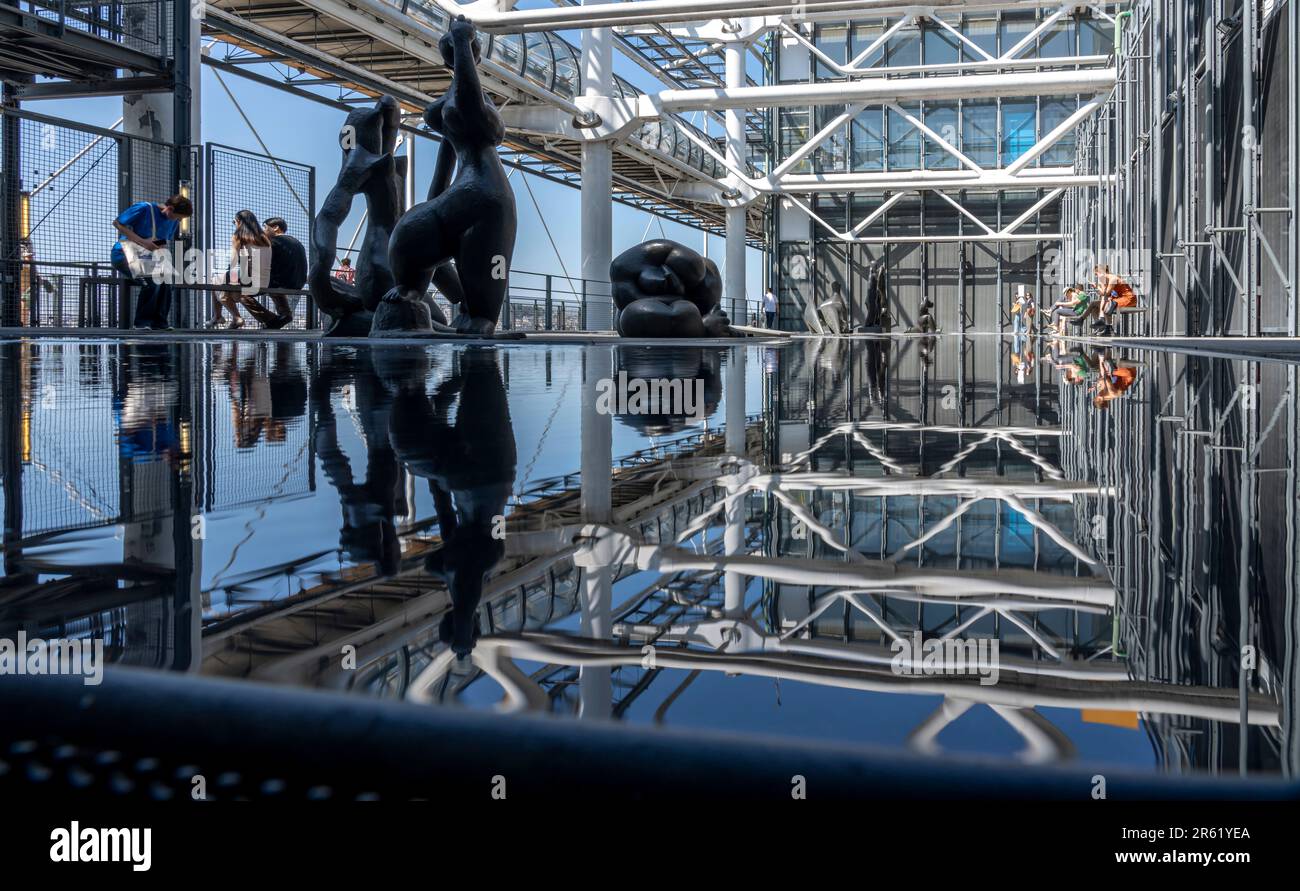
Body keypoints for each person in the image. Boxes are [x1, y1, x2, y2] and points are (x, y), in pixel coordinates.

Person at [111, 194, 193, 330]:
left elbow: (163, 240)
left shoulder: (173, 222)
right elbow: (117, 223)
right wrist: (143, 242)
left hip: (146, 257)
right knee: (153, 281)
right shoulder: (144, 208)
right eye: (178, 216)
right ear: (170, 209)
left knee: (167, 282)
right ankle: (142, 322)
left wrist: (155, 245)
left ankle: (159, 322)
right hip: (123, 254)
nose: (178, 220)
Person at [211, 210, 272, 330]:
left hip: (249, 281)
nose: (234, 224)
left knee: (215, 281)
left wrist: (229, 280)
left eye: (234, 222)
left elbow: (233, 262)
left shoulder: (238, 236)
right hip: (265, 281)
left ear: (238, 221)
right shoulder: (264, 238)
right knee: (224, 284)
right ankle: (220, 316)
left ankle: (234, 317)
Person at [262, 216, 308, 329]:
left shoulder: (273, 242)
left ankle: (272, 319)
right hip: (299, 283)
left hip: (283, 283)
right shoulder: (298, 243)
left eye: (265, 227)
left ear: (276, 228)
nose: (263, 231)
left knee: (246, 289)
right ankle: (283, 316)